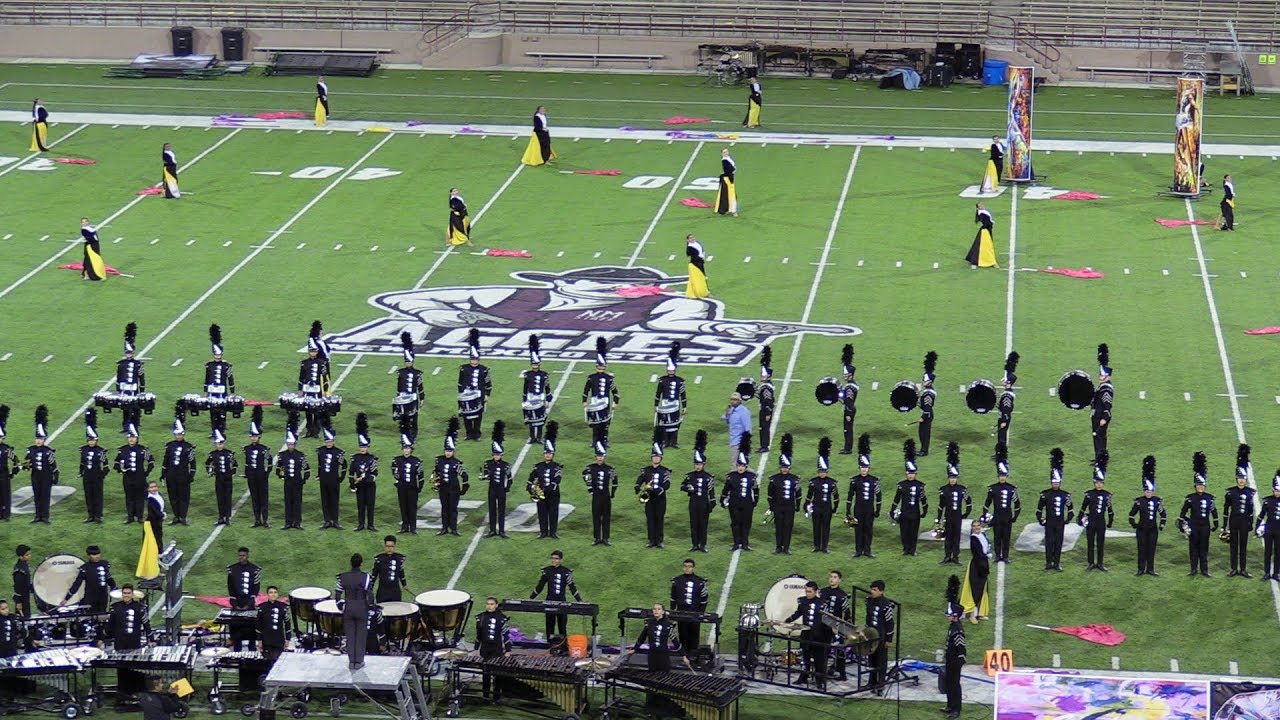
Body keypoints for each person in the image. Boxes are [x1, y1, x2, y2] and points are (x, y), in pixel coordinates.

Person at [785, 581, 830, 690]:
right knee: (805, 657)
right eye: (806, 591)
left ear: (815, 591)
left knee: (819, 659)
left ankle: (820, 680)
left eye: (810, 591)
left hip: (818, 635)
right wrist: (788, 620)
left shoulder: (823, 603)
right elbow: (798, 613)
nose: (807, 593)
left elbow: (827, 619)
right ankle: (803, 677)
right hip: (806, 634)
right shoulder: (802, 601)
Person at [1180, 451, 1219, 577]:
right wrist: (1184, 523)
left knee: (1204, 548)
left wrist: (1216, 523)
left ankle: (1204, 570)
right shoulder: (1190, 498)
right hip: (1194, 526)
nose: (1200, 487)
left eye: (1202, 485)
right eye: (1198, 485)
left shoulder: (1210, 498)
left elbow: (1214, 511)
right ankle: (1193, 569)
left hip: (1205, 526)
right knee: (1193, 548)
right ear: (1195, 485)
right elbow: (1183, 512)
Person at [530, 550, 582, 639]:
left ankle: (563, 646)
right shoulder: (547, 571)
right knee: (549, 625)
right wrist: (531, 598)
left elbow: (572, 587)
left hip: (562, 602)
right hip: (549, 601)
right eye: (552, 558)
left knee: (562, 626)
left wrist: (579, 600)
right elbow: (540, 586)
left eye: (556, 559)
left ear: (561, 560)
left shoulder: (566, 572)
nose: (554, 560)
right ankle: (550, 645)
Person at [1129, 456, 1166, 576]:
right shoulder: (1139, 501)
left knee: (1151, 550)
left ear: (1153, 491)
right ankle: (1141, 569)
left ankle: (1150, 569)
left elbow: (1163, 514)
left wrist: (1162, 524)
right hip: (1141, 529)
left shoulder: (1157, 501)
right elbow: (1131, 514)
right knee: (1142, 549)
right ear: (1144, 491)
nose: (1148, 493)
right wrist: (1134, 524)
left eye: (1150, 491)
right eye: (1146, 491)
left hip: (1153, 529)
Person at [1036, 449, 1073, 572]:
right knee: (1049, 542)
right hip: (1049, 522)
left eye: (1057, 482)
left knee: (1058, 543)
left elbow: (1070, 508)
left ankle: (1056, 563)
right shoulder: (1045, 494)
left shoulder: (1065, 495)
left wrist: (1068, 519)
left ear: (1060, 482)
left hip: (1060, 523)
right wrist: (1041, 519)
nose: (1055, 484)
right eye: (1053, 482)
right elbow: (1039, 509)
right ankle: (1048, 562)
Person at [983, 443, 1020, 563]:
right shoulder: (993, 488)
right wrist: (985, 514)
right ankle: (998, 555)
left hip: (1007, 516)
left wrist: (1015, 516)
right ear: (998, 476)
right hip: (997, 515)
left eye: (1004, 475)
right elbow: (987, 502)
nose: (1002, 478)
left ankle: (1006, 556)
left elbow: (1017, 504)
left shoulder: (1012, 489)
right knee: (997, 536)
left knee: (1006, 537)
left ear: (1007, 476)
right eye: (1000, 475)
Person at [1224, 444, 1256, 578]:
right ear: (1236, 478)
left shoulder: (1250, 492)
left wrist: (1250, 523)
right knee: (1233, 546)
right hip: (1234, 521)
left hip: (1244, 522)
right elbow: (1226, 508)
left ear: (1246, 479)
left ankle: (1243, 569)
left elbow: (1250, 510)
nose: (1241, 480)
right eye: (1239, 478)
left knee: (1243, 545)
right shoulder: (1230, 492)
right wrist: (1223, 526)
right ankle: (1233, 569)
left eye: (1243, 478)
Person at [765, 435, 801, 555]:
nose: (784, 469)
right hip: (778, 506)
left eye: (786, 467)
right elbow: (770, 495)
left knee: (788, 527)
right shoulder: (774, 479)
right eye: (782, 467)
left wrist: (798, 505)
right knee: (779, 527)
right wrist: (771, 507)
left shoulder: (795, 479)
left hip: (789, 506)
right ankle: (778, 547)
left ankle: (786, 547)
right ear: (779, 467)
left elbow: (798, 493)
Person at [890, 441, 927, 555]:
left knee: (914, 532)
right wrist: (892, 510)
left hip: (915, 512)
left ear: (915, 473)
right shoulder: (901, 485)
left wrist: (924, 510)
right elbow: (897, 499)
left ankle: (913, 550)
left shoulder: (920, 485)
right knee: (904, 532)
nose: (911, 475)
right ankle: (906, 549)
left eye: (913, 473)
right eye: (909, 473)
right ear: (906, 473)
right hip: (904, 513)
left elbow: (923, 499)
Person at [721, 436, 758, 551]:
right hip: (734, 504)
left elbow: (756, 490)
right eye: (738, 466)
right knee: (735, 523)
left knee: (746, 523)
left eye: (742, 466)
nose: (740, 468)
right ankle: (736, 543)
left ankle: (745, 543)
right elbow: (725, 490)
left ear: (746, 466)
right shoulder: (731, 476)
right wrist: (722, 500)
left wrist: (755, 501)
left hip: (747, 504)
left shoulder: (752, 477)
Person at [847, 434, 881, 558]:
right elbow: (850, 496)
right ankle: (858, 551)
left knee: (868, 530)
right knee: (858, 530)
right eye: (862, 467)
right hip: (858, 509)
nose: (864, 470)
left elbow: (879, 496)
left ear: (869, 468)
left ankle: (867, 550)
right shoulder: (854, 480)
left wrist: (878, 509)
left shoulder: (874, 480)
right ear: (859, 467)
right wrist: (848, 510)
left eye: (866, 467)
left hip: (869, 510)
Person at [936, 443, 971, 565]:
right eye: (951, 477)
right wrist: (938, 519)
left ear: (957, 478)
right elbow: (941, 505)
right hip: (948, 517)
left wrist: (966, 514)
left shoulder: (962, 489)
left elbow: (968, 502)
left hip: (958, 517)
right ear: (948, 477)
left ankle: (955, 557)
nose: (952, 480)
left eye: (954, 478)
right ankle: (947, 556)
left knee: (957, 538)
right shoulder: (944, 489)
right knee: (948, 537)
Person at [336, 554, 372, 670]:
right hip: (361, 606)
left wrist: (341, 606)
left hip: (349, 606)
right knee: (361, 635)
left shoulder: (342, 577)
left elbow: (338, 594)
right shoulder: (365, 577)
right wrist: (370, 607)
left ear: (350, 563)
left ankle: (351, 662)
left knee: (350, 635)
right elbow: (370, 595)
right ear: (361, 564)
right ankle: (359, 661)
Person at [681, 431, 715, 552]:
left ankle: (703, 545)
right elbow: (682, 486)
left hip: (703, 503)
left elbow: (711, 492)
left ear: (704, 464)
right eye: (696, 464)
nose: (697, 466)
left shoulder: (708, 477)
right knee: (694, 524)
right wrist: (688, 488)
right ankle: (695, 544)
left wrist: (711, 504)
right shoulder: (690, 476)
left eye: (699, 464)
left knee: (703, 525)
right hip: (693, 503)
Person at [1079, 453, 1114, 571]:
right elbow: (1083, 508)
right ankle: (1090, 563)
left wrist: (1110, 521)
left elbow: (1110, 510)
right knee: (1090, 543)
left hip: (1101, 521)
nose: (1099, 484)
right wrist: (1080, 518)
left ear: (1103, 483)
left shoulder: (1107, 495)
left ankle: (1100, 563)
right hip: (1091, 521)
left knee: (1100, 543)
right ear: (1094, 483)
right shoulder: (1089, 494)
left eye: (1101, 483)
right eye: (1097, 483)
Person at [160, 409, 196, 525]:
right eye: (176, 434)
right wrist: (163, 474)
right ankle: (176, 516)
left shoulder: (188, 447)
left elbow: (193, 463)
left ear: (183, 434)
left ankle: (183, 517)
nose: (178, 436)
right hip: (171, 475)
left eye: (180, 434)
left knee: (184, 497)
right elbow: (165, 461)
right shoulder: (169, 446)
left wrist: (191, 475)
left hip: (183, 476)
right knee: (173, 496)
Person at [636, 436, 672, 549]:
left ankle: (659, 541)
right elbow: (639, 480)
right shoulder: (646, 470)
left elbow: (667, 484)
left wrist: (661, 489)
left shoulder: (665, 471)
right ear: (651, 457)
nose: (656, 458)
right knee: (650, 519)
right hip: (649, 498)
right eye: (654, 456)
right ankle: (651, 540)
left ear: (661, 458)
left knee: (659, 519)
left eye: (658, 457)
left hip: (660, 499)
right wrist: (637, 487)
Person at [528, 422, 563, 539]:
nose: (548, 455)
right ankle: (543, 532)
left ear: (553, 454)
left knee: (553, 513)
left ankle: (553, 532)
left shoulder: (557, 466)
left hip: (553, 494)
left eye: (550, 453)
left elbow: (557, 478)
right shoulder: (538, 466)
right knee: (542, 513)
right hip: (541, 493)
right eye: (546, 453)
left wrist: (550, 488)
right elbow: (531, 477)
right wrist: (530, 488)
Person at [627, 603, 687, 671]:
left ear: (663, 612)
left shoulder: (668, 625)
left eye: (659, 609)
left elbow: (674, 640)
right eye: (654, 609)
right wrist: (635, 649)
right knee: (652, 675)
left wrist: (683, 655)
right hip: (652, 655)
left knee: (664, 676)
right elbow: (642, 637)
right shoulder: (649, 623)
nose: (656, 611)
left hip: (663, 655)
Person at [275, 416, 310, 530]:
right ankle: (288, 522)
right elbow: (278, 468)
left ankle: (297, 522)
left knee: (297, 502)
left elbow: (307, 468)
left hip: (297, 482)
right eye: (289, 444)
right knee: (288, 502)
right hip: (288, 482)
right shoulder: (282, 455)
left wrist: (304, 479)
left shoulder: (300, 455)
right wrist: (280, 475)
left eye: (292, 444)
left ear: (295, 444)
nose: (290, 446)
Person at [114, 422, 153, 525]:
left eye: (133, 437)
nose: (131, 439)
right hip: (127, 478)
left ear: (137, 438)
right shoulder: (122, 450)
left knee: (140, 498)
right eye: (130, 437)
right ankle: (130, 517)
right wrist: (120, 469)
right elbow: (116, 462)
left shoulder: (143, 449)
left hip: (140, 478)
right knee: (129, 498)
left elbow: (151, 461)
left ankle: (140, 517)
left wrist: (146, 472)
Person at [582, 338, 619, 445]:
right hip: (594, 401)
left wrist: (615, 402)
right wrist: (584, 401)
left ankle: (604, 440)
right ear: (596, 366)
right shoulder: (591, 377)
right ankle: (594, 441)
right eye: (599, 367)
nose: (600, 368)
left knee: (605, 422)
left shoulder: (609, 378)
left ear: (605, 367)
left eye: (602, 367)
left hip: (605, 402)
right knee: (595, 422)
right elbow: (586, 390)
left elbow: (615, 392)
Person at [298, 322, 331, 439]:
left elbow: (325, 378)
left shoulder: (321, 363)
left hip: (317, 389)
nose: (313, 353)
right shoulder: (304, 363)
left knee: (316, 409)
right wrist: (300, 390)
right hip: (307, 389)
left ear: (317, 352)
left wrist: (325, 391)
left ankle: (316, 430)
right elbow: (301, 377)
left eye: (314, 351)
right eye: (311, 351)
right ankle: (309, 430)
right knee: (307, 409)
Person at [25, 406, 57, 524]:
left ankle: (45, 517)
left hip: (46, 477)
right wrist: (24, 466)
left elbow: (53, 465)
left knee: (45, 496)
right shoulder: (31, 450)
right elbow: (27, 462)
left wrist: (55, 477)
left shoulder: (48, 451)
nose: (38, 441)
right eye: (37, 438)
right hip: (35, 476)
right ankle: (37, 516)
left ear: (44, 440)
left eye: (40, 439)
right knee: (37, 496)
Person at [458, 330, 492, 442]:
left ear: (479, 359)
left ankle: (477, 434)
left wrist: (487, 394)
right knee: (466, 414)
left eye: (476, 359)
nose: (474, 361)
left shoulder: (484, 369)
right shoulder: (464, 368)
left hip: (479, 395)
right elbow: (460, 382)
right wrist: (461, 394)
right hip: (466, 394)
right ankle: (469, 433)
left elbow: (488, 383)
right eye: (472, 359)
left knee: (478, 415)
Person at [474, 596, 511, 700]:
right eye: (487, 604)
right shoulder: (480, 618)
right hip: (485, 649)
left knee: (498, 674)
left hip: (497, 649)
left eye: (491, 604)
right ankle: (485, 696)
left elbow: (506, 635)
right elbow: (479, 636)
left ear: (496, 605)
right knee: (485, 674)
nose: (489, 606)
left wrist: (508, 650)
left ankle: (496, 697)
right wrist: (476, 648)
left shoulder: (502, 618)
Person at [243, 407, 273, 528]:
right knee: (255, 498)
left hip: (261, 476)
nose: (253, 438)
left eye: (255, 436)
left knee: (263, 499)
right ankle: (256, 520)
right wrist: (247, 473)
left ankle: (265, 520)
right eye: (252, 436)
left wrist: (266, 473)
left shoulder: (264, 449)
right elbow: (246, 463)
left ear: (259, 437)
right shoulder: (247, 449)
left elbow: (269, 462)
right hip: (251, 477)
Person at [807, 438, 839, 553]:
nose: (822, 473)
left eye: (824, 471)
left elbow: (836, 496)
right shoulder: (813, 482)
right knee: (816, 527)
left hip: (827, 508)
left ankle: (824, 546)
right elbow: (809, 496)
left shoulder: (832, 482)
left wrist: (835, 508)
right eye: (820, 471)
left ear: (827, 471)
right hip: (816, 507)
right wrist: (806, 506)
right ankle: (816, 546)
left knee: (826, 527)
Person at [203, 325, 236, 436]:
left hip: (222, 392)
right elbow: (207, 379)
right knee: (212, 412)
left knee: (222, 411)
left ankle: (221, 430)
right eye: (216, 355)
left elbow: (230, 379)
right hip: (212, 392)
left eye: (219, 355)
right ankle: (214, 431)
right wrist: (206, 392)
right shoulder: (209, 365)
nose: (217, 357)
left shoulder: (226, 365)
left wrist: (232, 393)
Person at [583, 440, 618, 546]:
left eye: (601, 456)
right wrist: (590, 489)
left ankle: (606, 538)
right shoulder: (590, 468)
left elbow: (615, 481)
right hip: (596, 496)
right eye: (598, 456)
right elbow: (584, 476)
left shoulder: (609, 468)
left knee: (606, 517)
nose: (600, 458)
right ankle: (597, 538)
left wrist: (612, 493)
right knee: (596, 517)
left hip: (606, 496)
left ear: (604, 457)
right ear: (595, 457)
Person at [670, 559, 708, 653]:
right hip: (681, 613)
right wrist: (673, 613)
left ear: (693, 568)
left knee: (694, 636)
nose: (687, 568)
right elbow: (673, 598)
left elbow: (704, 598)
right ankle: (684, 655)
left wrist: (701, 613)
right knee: (683, 635)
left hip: (695, 613)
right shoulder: (677, 581)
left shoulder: (700, 581)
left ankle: (693, 655)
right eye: (685, 566)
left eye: (689, 566)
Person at [654, 342, 687, 448]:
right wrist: (656, 405)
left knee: (675, 422)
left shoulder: (680, 381)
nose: (671, 371)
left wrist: (685, 407)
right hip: (665, 402)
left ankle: (674, 441)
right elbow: (658, 393)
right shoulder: (662, 380)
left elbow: (683, 395)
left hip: (675, 403)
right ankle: (665, 441)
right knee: (665, 422)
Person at [350, 414, 380, 532]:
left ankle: (371, 525)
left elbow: (374, 473)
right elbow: (351, 472)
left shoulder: (372, 458)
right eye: (361, 446)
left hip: (370, 486)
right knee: (360, 506)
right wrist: (353, 483)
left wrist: (364, 479)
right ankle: (361, 524)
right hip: (359, 486)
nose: (362, 449)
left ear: (368, 447)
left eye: (365, 446)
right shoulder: (355, 458)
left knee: (370, 506)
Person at [818, 571, 850, 682]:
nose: (832, 579)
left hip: (836, 625)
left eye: (835, 577)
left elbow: (847, 614)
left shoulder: (842, 595)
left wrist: (845, 630)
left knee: (840, 650)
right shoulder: (822, 592)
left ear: (839, 580)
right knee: (823, 649)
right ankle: (822, 672)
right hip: (823, 624)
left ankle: (842, 674)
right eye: (831, 577)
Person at [63, 544, 116, 611]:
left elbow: (109, 578)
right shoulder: (85, 568)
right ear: (89, 555)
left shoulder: (105, 564)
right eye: (94, 555)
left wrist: (114, 587)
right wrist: (67, 598)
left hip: (103, 597)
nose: (97, 556)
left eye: (98, 554)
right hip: (90, 598)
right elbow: (77, 584)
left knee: (102, 616)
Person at [483, 422, 512, 539]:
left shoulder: (506, 465)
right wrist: (485, 476)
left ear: (502, 454)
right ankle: (492, 530)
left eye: (498, 454)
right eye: (495, 454)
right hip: (492, 489)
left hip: (501, 490)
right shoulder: (487, 463)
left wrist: (507, 488)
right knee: (492, 510)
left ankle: (502, 530)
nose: (496, 456)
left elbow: (509, 478)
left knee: (501, 510)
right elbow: (485, 476)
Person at [115, 323, 146, 434]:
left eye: (130, 352)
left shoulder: (138, 364)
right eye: (127, 352)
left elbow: (141, 377)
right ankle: (125, 426)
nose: (129, 354)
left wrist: (142, 391)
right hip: (124, 389)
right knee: (125, 408)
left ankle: (135, 423)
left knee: (135, 407)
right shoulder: (121, 363)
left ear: (133, 352)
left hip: (134, 389)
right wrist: (118, 390)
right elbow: (118, 377)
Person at [227, 547, 260, 649]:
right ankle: (237, 650)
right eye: (240, 555)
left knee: (251, 630)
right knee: (236, 630)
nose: (241, 557)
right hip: (236, 602)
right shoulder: (232, 569)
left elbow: (256, 588)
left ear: (247, 556)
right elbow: (230, 587)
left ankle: (252, 651)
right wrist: (235, 604)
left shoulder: (255, 569)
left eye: (243, 555)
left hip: (249, 603)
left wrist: (249, 604)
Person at [942, 577, 965, 719]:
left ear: (955, 616)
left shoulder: (957, 629)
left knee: (954, 684)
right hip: (951, 659)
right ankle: (950, 706)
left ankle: (956, 709)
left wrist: (959, 660)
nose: (947, 615)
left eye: (949, 614)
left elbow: (961, 647)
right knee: (949, 683)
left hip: (955, 660)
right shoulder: (953, 626)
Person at [520, 336, 551, 445]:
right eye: (533, 364)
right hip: (530, 396)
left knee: (541, 418)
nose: (535, 366)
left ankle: (539, 437)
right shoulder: (527, 374)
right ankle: (532, 437)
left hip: (540, 396)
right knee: (532, 418)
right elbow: (525, 387)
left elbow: (547, 387)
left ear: (539, 364)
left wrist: (548, 399)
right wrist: (524, 399)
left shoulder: (544, 374)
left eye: (536, 364)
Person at [864, 579, 893, 691]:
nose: (872, 592)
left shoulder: (886, 605)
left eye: (875, 590)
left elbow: (890, 623)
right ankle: (871, 681)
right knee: (871, 659)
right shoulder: (869, 601)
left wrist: (889, 639)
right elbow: (868, 618)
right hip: (871, 635)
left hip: (881, 636)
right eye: (872, 589)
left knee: (881, 661)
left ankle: (880, 684)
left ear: (881, 591)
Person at [394, 332, 424, 441]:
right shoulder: (400, 372)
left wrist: (422, 398)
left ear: (412, 361)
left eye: (409, 362)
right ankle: (404, 434)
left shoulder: (417, 373)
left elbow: (420, 386)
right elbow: (399, 386)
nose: (408, 364)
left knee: (413, 417)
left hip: (413, 398)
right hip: (402, 397)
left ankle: (413, 434)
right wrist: (397, 397)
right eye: (406, 362)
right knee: (403, 417)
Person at [393, 434, 425, 535]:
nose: (406, 450)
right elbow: (395, 473)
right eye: (404, 448)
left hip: (412, 488)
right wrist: (397, 475)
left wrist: (419, 487)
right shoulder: (397, 460)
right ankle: (405, 526)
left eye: (408, 448)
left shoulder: (416, 461)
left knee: (412, 507)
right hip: (402, 488)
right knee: (403, 507)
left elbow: (420, 475)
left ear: (411, 449)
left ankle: (413, 527)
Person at [80, 409, 109, 524]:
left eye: (93, 440)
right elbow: (82, 463)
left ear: (96, 440)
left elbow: (106, 465)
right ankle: (90, 515)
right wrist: (81, 472)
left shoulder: (100, 451)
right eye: (89, 440)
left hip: (97, 477)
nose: (91, 442)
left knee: (97, 496)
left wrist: (102, 475)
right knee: (88, 496)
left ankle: (98, 516)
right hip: (87, 477)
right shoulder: (83, 450)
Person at [961, 517, 991, 624]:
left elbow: (986, 547)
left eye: (978, 526)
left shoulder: (982, 535)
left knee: (983, 589)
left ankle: (980, 613)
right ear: (972, 528)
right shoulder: (973, 539)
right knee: (975, 590)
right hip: (977, 566)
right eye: (974, 526)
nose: (976, 528)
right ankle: (972, 615)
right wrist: (986, 556)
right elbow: (978, 554)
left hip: (983, 564)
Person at [315, 424, 346, 530]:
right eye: (326, 441)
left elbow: (344, 465)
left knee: (334, 500)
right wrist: (319, 475)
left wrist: (341, 477)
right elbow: (320, 465)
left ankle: (335, 521)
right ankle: (327, 520)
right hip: (324, 480)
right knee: (325, 500)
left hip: (334, 480)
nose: (328, 443)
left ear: (334, 441)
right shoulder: (321, 451)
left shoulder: (338, 453)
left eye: (330, 441)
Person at [205, 429, 237, 526]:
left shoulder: (229, 453)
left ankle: (227, 517)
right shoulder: (212, 454)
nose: (219, 445)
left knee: (227, 497)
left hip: (227, 479)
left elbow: (235, 464)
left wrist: (232, 473)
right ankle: (220, 517)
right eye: (218, 444)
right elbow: (207, 464)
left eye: (221, 443)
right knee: (220, 498)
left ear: (224, 443)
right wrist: (211, 472)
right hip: (218, 478)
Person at [256, 586, 290, 664]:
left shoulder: (283, 607)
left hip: (279, 640)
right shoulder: (261, 607)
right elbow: (258, 625)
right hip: (266, 640)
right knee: (267, 662)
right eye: (271, 592)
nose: (273, 594)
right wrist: (259, 640)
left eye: (275, 592)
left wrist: (288, 639)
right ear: (267, 594)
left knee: (278, 662)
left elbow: (287, 623)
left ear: (277, 594)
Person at [1257, 470, 1280, 581]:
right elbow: (1261, 515)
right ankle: (1266, 573)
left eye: (1279, 491)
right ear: (1272, 489)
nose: (1277, 493)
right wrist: (1257, 526)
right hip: (1269, 530)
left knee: (1278, 553)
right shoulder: (1267, 501)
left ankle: (1276, 573)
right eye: (1276, 490)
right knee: (1268, 552)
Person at [1091, 344, 1113, 461]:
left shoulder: (1106, 388)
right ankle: (1098, 457)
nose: (1100, 376)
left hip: (1101, 416)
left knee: (1100, 436)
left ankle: (1101, 458)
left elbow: (1107, 405)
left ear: (1107, 376)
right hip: (1097, 415)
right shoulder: (1102, 386)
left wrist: (1104, 417)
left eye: (1102, 375)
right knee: (1096, 436)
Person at [372, 535, 408, 603]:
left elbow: (401, 572)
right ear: (384, 546)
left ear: (395, 546)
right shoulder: (379, 559)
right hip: (382, 592)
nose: (389, 548)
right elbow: (374, 574)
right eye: (387, 546)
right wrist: (370, 588)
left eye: (391, 546)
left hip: (395, 592)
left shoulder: (399, 558)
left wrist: (404, 585)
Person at [838, 345, 858, 455]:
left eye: (846, 375)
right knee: (848, 429)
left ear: (850, 375)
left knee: (848, 430)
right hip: (849, 408)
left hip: (849, 409)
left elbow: (849, 401)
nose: (845, 376)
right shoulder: (851, 384)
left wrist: (848, 413)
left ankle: (848, 448)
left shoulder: (850, 387)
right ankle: (847, 447)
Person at [722, 392, 751, 469]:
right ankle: (753, 476)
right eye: (731, 399)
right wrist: (727, 413)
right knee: (742, 464)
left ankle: (734, 480)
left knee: (735, 464)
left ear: (740, 401)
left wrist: (745, 443)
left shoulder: (744, 412)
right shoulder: (731, 410)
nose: (732, 401)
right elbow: (728, 422)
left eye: (735, 400)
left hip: (739, 441)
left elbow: (748, 428)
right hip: (733, 439)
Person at [996, 352, 1018, 448]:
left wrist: (1004, 420)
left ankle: (1002, 453)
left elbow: (1006, 409)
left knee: (1002, 437)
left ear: (1008, 384)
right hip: (1004, 417)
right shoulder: (1008, 393)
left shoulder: (1007, 397)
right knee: (1001, 436)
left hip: (1004, 418)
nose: (1003, 382)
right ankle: (1001, 452)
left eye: (1005, 381)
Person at [965, 202, 997, 268]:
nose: (982, 206)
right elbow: (986, 223)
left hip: (985, 230)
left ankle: (974, 259)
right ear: (978, 208)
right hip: (985, 231)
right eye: (980, 206)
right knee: (987, 247)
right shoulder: (982, 213)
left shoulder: (982, 212)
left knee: (979, 246)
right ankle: (991, 262)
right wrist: (991, 223)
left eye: (982, 204)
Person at [917, 352, 937, 455]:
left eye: (925, 381)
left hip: (927, 415)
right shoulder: (928, 390)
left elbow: (928, 407)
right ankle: (923, 449)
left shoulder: (929, 393)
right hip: (926, 413)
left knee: (924, 433)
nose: (923, 382)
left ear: (929, 382)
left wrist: (923, 417)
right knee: (922, 432)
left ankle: (924, 450)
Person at [756, 348, 775, 452]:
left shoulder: (766, 388)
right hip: (764, 409)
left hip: (765, 410)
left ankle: (765, 446)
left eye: (764, 375)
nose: (762, 377)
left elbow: (768, 401)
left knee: (764, 428)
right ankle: (763, 445)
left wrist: (767, 413)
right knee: (763, 428)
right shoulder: (766, 386)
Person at [0, 407, 15, 521]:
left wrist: (15, 470)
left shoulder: (6, 449)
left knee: (6, 495)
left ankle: (6, 514)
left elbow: (16, 460)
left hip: (4, 474)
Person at [715, 148, 738, 216]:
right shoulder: (725, 160)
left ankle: (726, 210)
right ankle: (732, 211)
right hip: (727, 179)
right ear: (722, 154)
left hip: (728, 178)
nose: (726, 153)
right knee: (730, 195)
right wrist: (733, 170)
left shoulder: (728, 158)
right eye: (724, 152)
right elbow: (728, 170)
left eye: (726, 151)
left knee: (726, 195)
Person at [12, 545, 32, 617]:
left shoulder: (25, 564)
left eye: (30, 554)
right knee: (23, 618)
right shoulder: (19, 570)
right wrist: (18, 602)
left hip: (26, 595)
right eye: (27, 555)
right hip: (22, 598)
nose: (29, 556)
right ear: (20, 556)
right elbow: (17, 587)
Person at [146, 481, 166, 547]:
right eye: (151, 487)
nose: (154, 489)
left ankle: (160, 550)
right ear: (148, 489)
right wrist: (163, 515)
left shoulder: (159, 494)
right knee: (156, 536)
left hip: (158, 519)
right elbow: (155, 511)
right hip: (153, 521)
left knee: (159, 535)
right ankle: (159, 551)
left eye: (155, 486)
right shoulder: (150, 499)